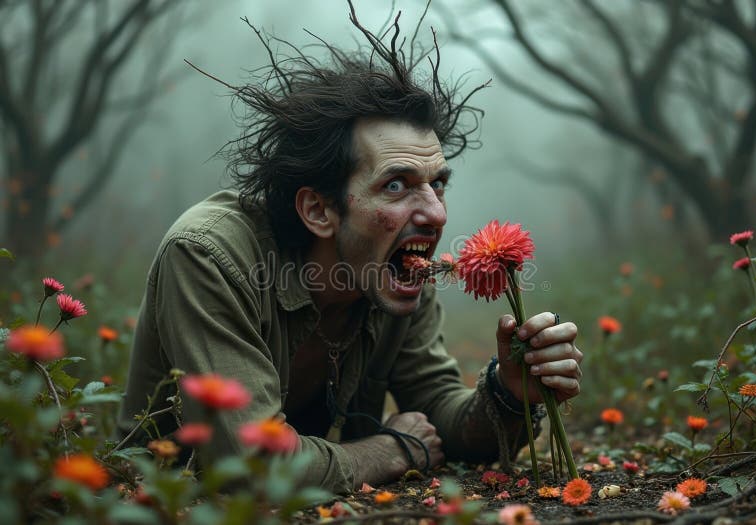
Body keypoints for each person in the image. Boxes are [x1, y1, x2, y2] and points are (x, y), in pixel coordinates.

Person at [117, 4, 582, 494]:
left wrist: (509, 393)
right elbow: (251, 462)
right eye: (397, 186)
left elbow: (437, 405)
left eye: (437, 184)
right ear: (319, 210)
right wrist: (391, 449)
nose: (437, 214)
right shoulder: (210, 255)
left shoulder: (395, 274)